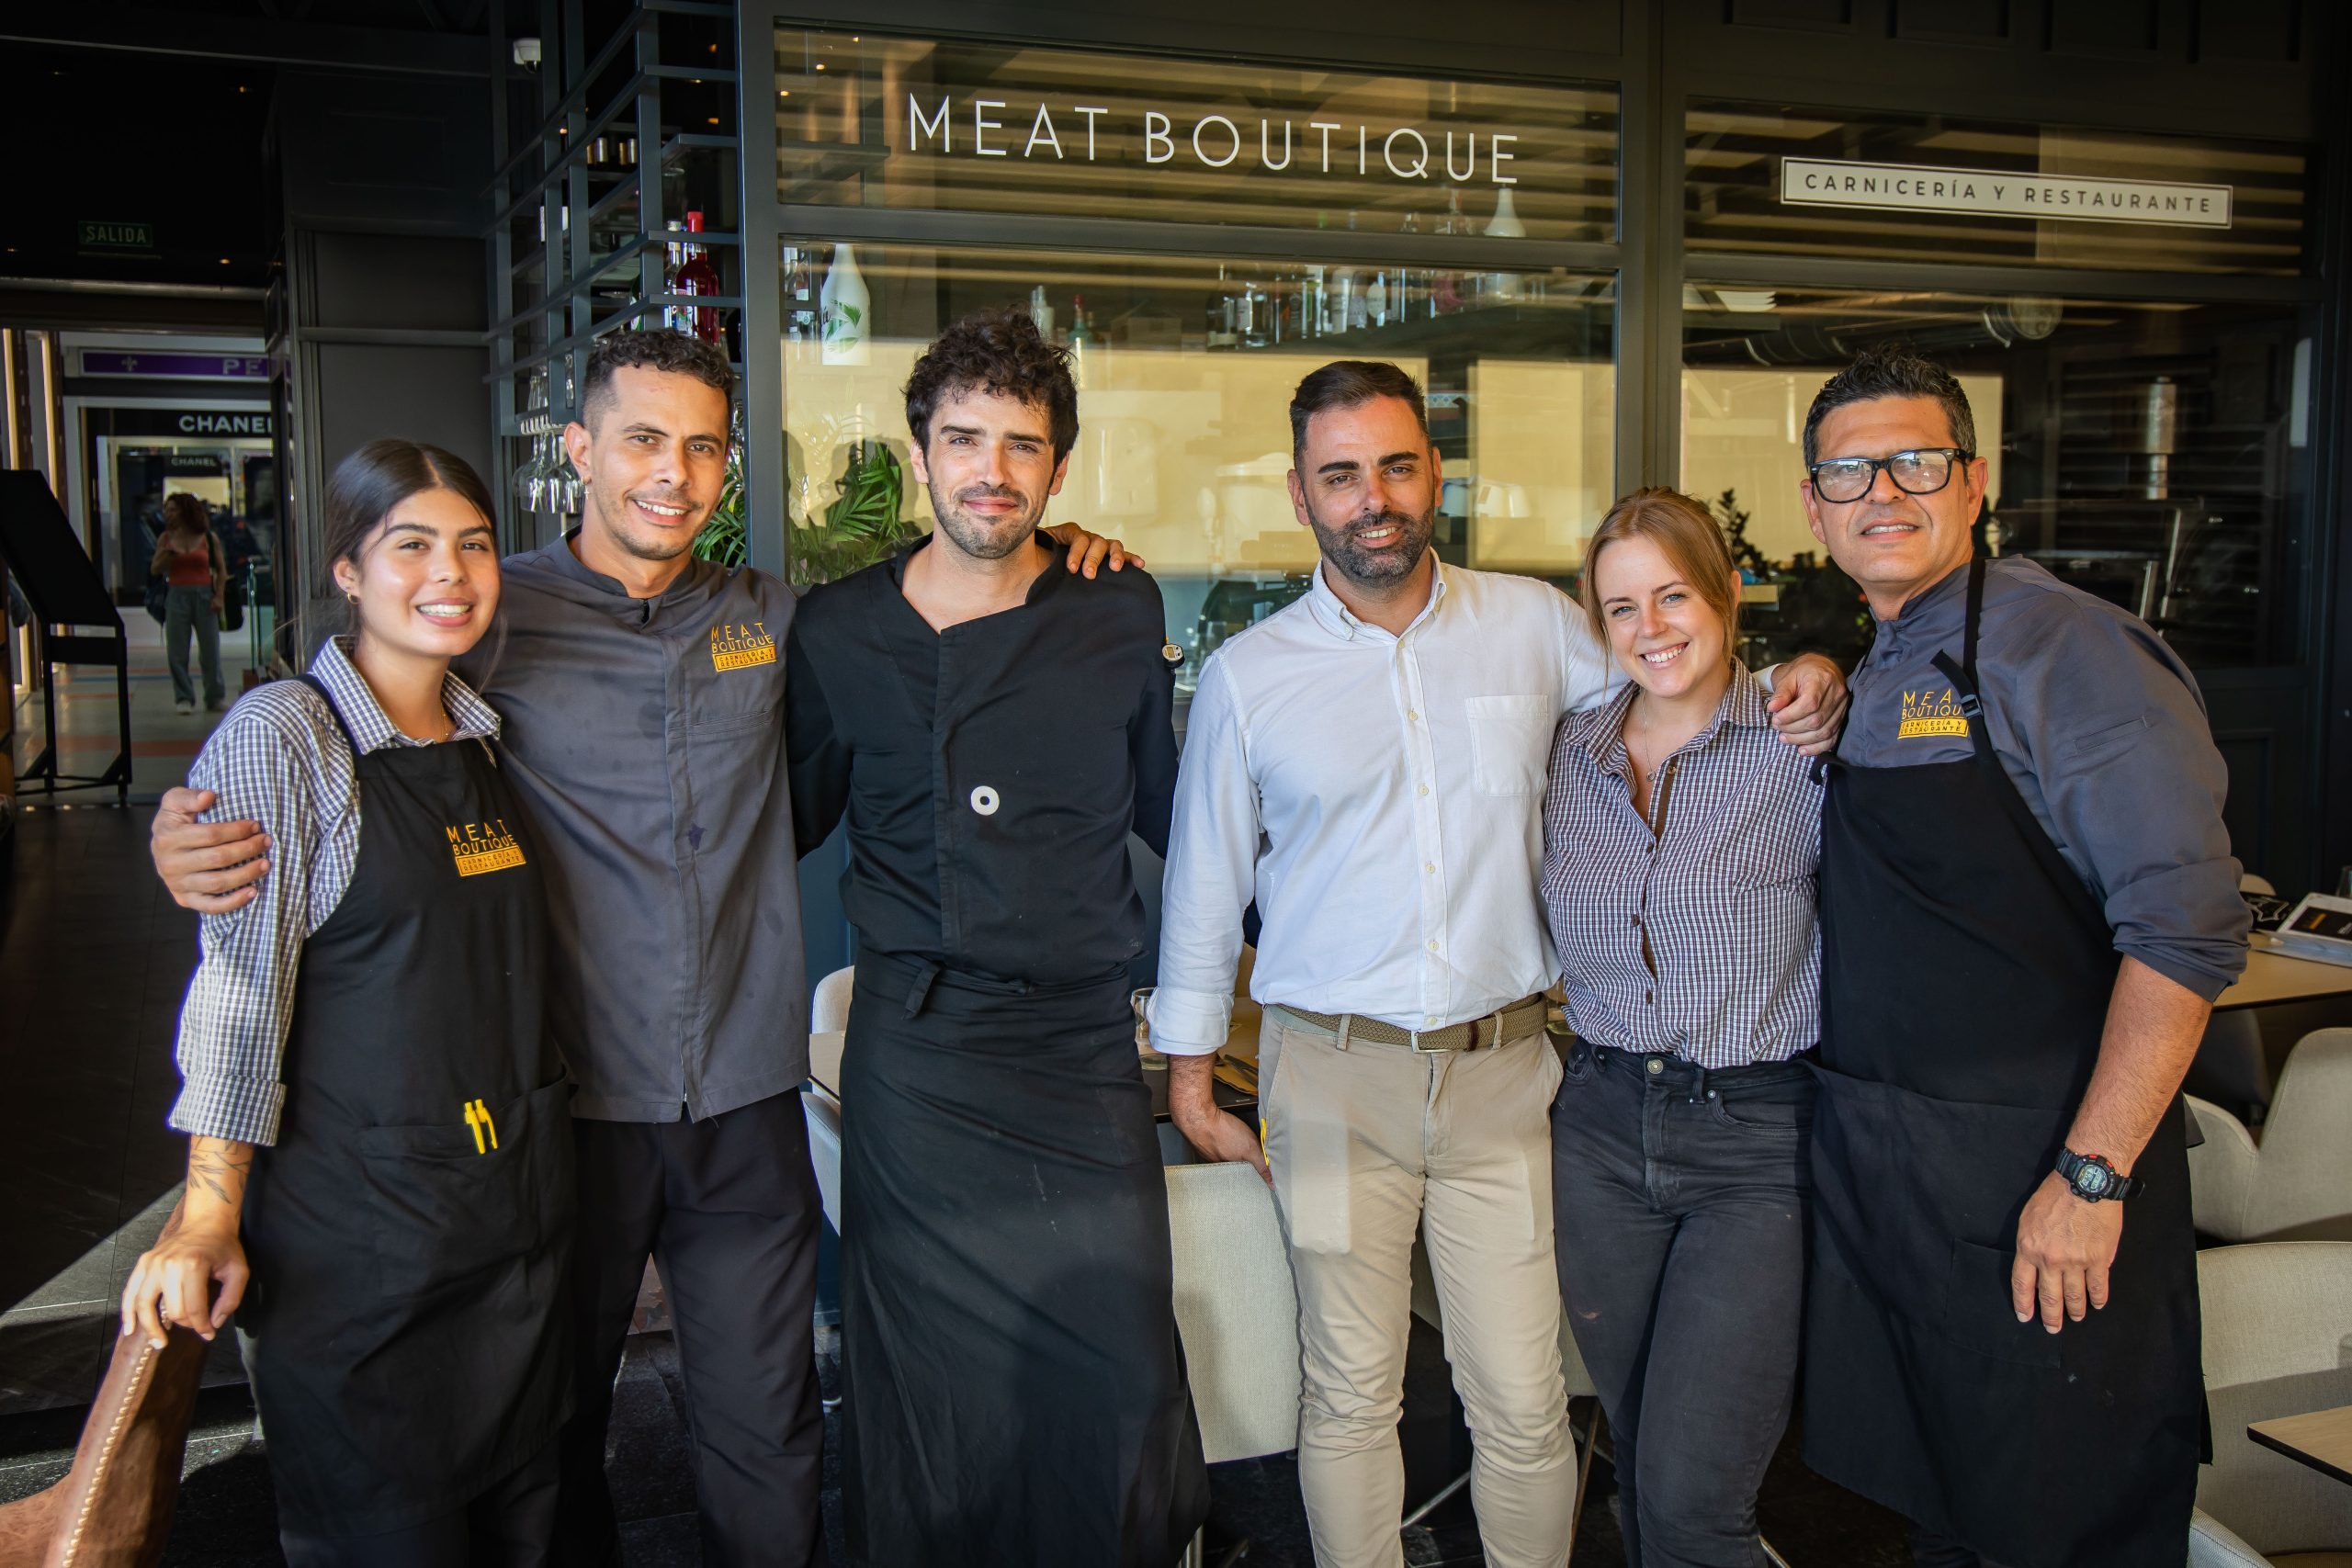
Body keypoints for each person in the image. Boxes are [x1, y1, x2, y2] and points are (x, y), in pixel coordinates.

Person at [147, 329, 1130, 1567]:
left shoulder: (782, 620)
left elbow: (935, 601)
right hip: (565, 1109)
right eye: (643, 439)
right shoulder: (486, 614)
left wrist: (1070, 556)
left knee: (766, 1421)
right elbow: (326, 741)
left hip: (743, 1091)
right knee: (548, 1422)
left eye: (703, 445)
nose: (674, 471)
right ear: (580, 452)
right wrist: (190, 836)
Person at [1148, 361, 1847, 1568]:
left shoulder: (1535, 625)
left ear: (1435, 474)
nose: (1375, 495)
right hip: (1331, 1071)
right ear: (1301, 494)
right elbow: (1202, 879)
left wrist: (1809, 672)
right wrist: (1191, 1070)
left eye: (1399, 465)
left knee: (1525, 1400)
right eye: (1342, 473)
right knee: (1350, 1392)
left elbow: (1671, 679)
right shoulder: (1249, 676)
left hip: (1510, 1072)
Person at [1792, 349, 2249, 1568]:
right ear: (1813, 501)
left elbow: (2187, 929)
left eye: (1916, 461)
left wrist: (2091, 1176)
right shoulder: (1882, 653)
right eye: (1849, 468)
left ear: (1973, 479)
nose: (1883, 489)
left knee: (2062, 1523)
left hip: (2042, 1182)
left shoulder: (2072, 651)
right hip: (1902, 1188)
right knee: (1951, 1512)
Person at [786, 308, 1209, 1566]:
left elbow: (1178, 816)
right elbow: (782, 820)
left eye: (1023, 445)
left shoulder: (1114, 606)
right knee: (936, 1402)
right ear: (919, 451)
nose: (993, 469)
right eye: (964, 438)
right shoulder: (837, 628)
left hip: (1077, 1053)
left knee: (1120, 1375)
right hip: (918, 1061)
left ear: (1060, 470)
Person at [120, 440, 572, 1565]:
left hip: (508, 1227)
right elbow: (238, 989)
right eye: (409, 545)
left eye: (473, 544)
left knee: (520, 1531)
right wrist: (207, 1211)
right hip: (361, 1256)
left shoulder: (486, 730)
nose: (450, 574)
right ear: (347, 571)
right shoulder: (287, 734)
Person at [1539, 489, 1820, 1568]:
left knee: (1700, 1501)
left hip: (1753, 1141)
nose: (1649, 627)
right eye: (1620, 608)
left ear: (1726, 592)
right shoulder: (1571, 749)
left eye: (1670, 596)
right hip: (1601, 1127)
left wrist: (1825, 672)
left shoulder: (1803, 744)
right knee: (1642, 1471)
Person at [153, 491, 228, 712]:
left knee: (210, 650)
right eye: (166, 509)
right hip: (176, 596)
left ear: (185, 510)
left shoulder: (208, 539)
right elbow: (155, 569)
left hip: (205, 595)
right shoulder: (165, 539)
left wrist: (219, 596)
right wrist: (168, 555)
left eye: (172, 508)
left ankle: (215, 696)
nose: (168, 513)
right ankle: (183, 697)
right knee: (177, 651)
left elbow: (222, 570)